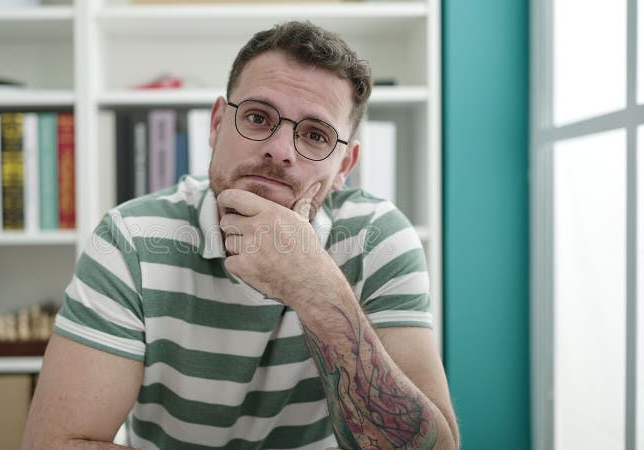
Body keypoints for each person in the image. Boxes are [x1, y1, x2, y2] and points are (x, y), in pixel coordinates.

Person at [23, 20, 459, 450]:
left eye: (314, 135)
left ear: (345, 166)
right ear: (216, 125)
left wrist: (313, 286)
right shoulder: (130, 240)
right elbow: (52, 443)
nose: (280, 150)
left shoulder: (378, 240)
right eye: (256, 117)